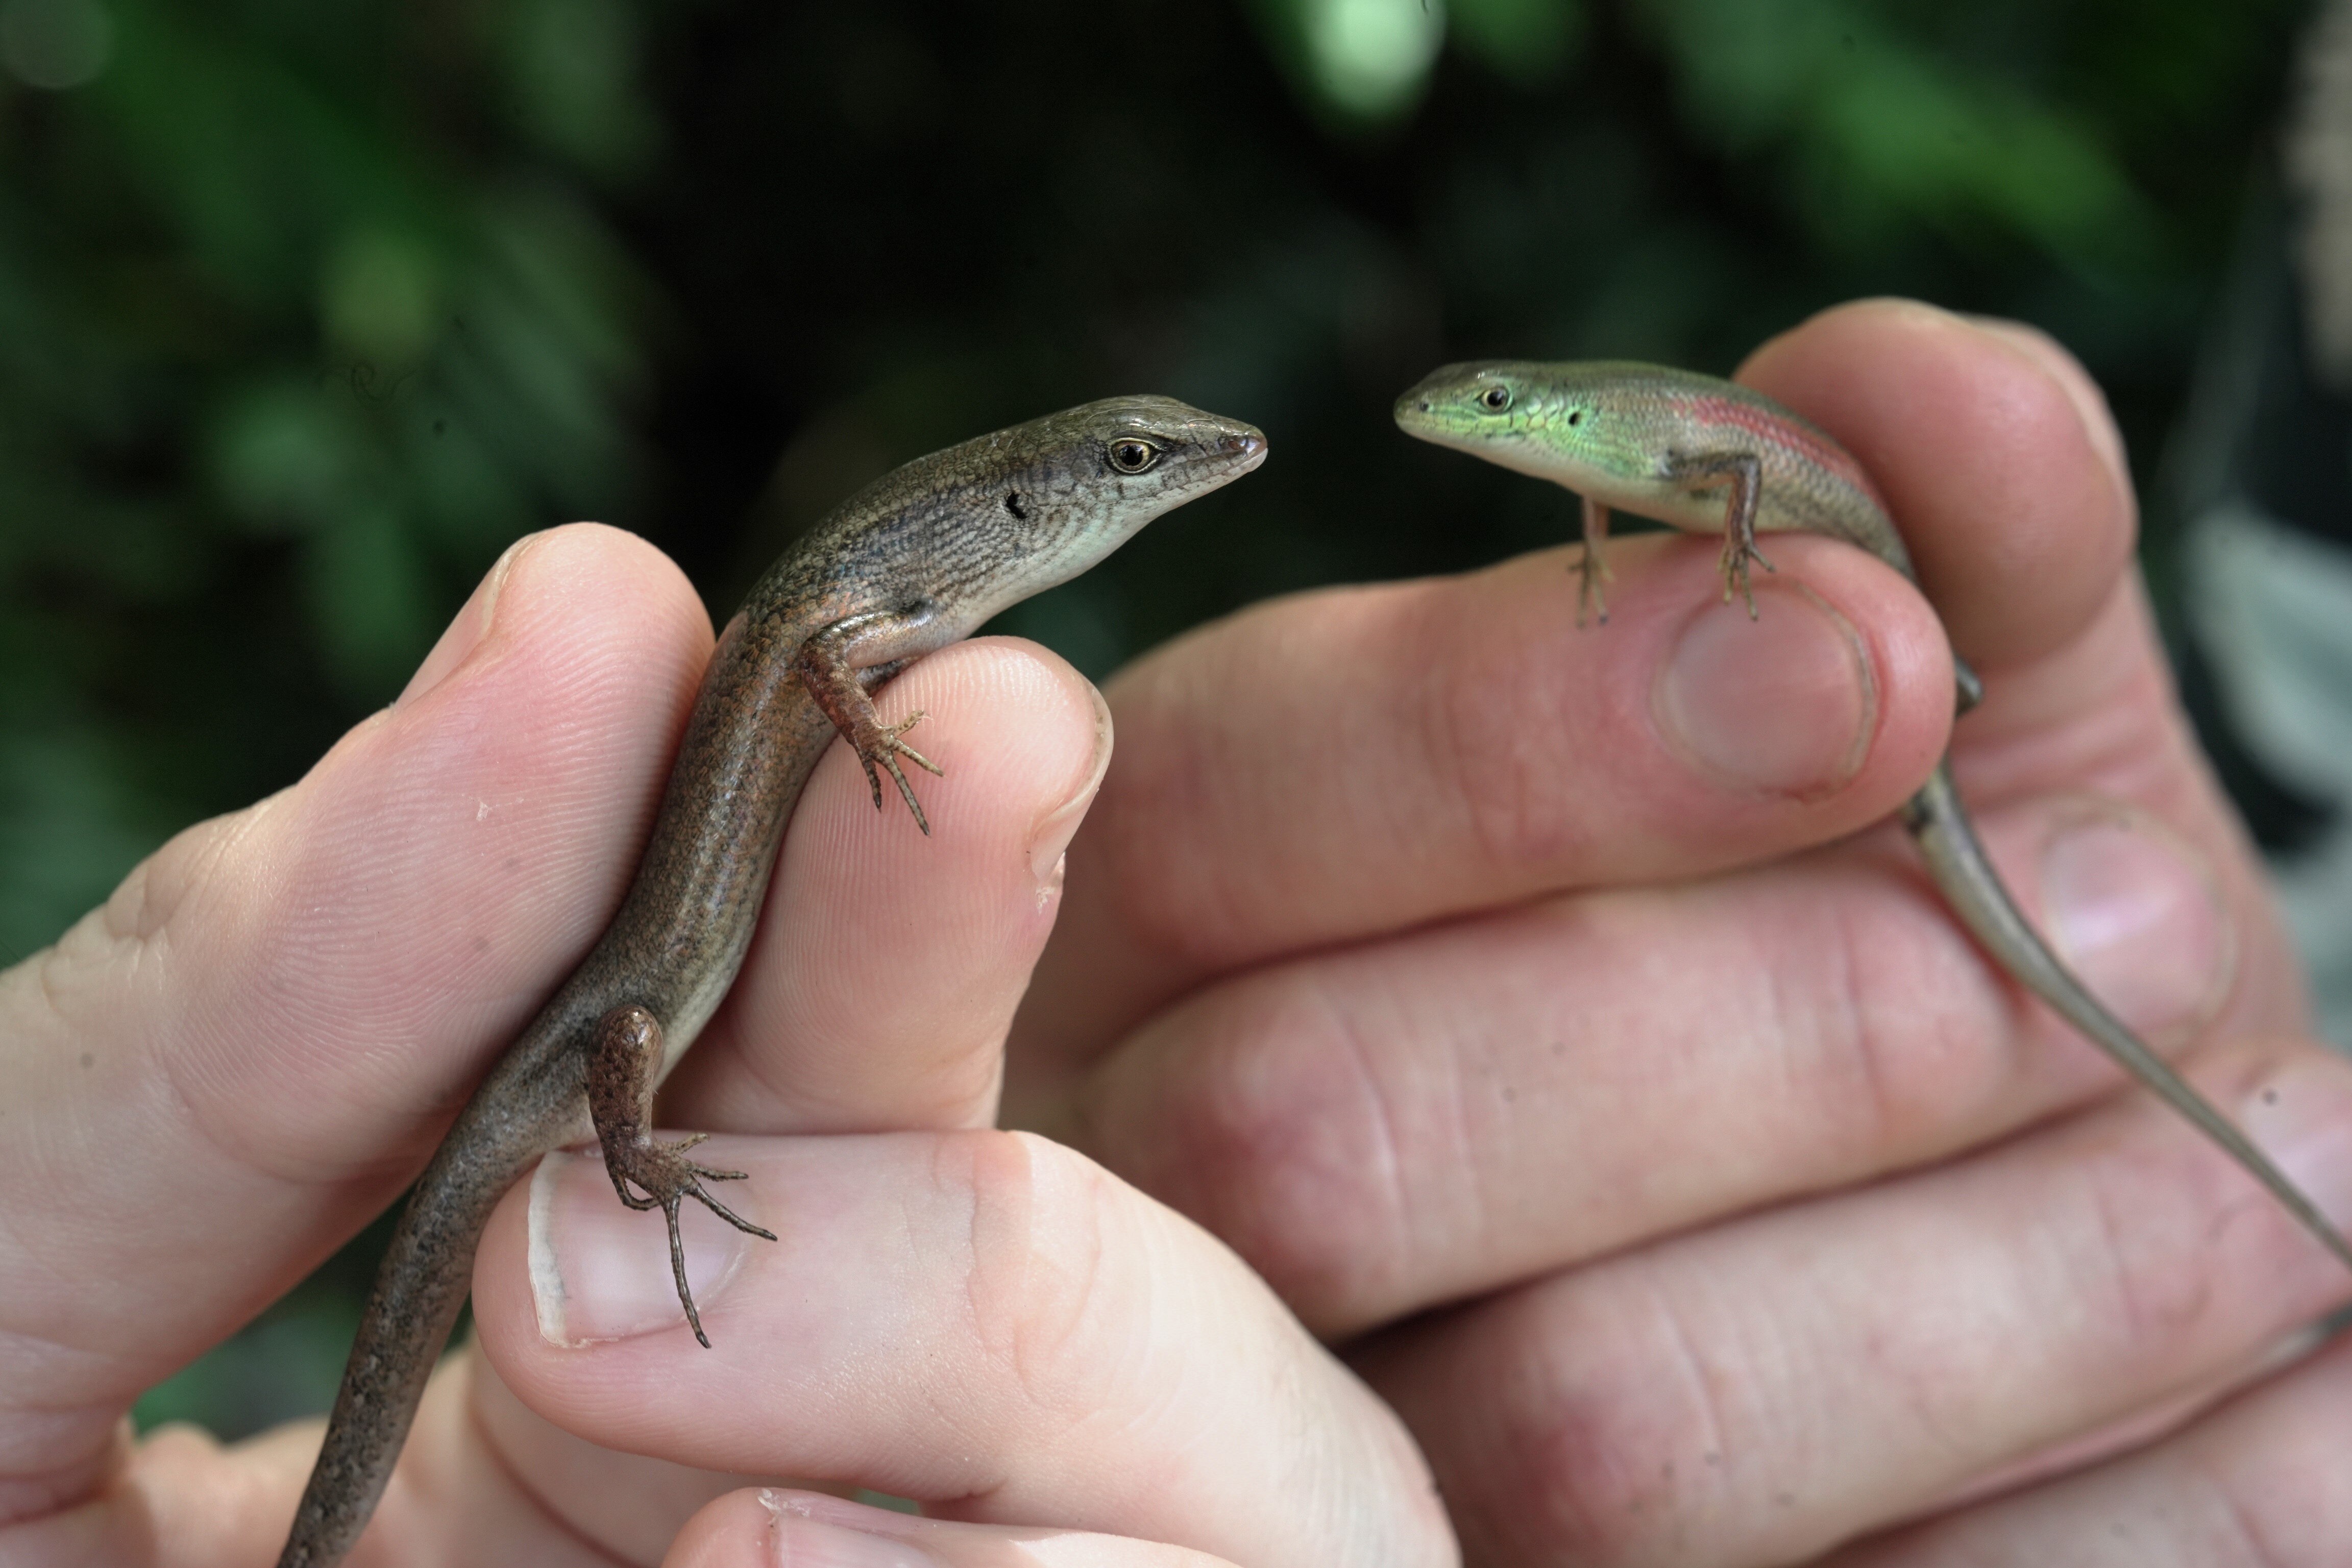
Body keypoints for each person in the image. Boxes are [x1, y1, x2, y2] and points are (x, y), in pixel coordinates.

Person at [5, 301, 2348, 1568]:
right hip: (624, 1011)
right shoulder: (876, 595)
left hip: (654, 1030)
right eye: (1147, 463)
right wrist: (630, 1155)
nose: (1186, 467)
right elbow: (822, 640)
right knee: (627, 1089)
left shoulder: (927, 581)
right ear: (1050, 490)